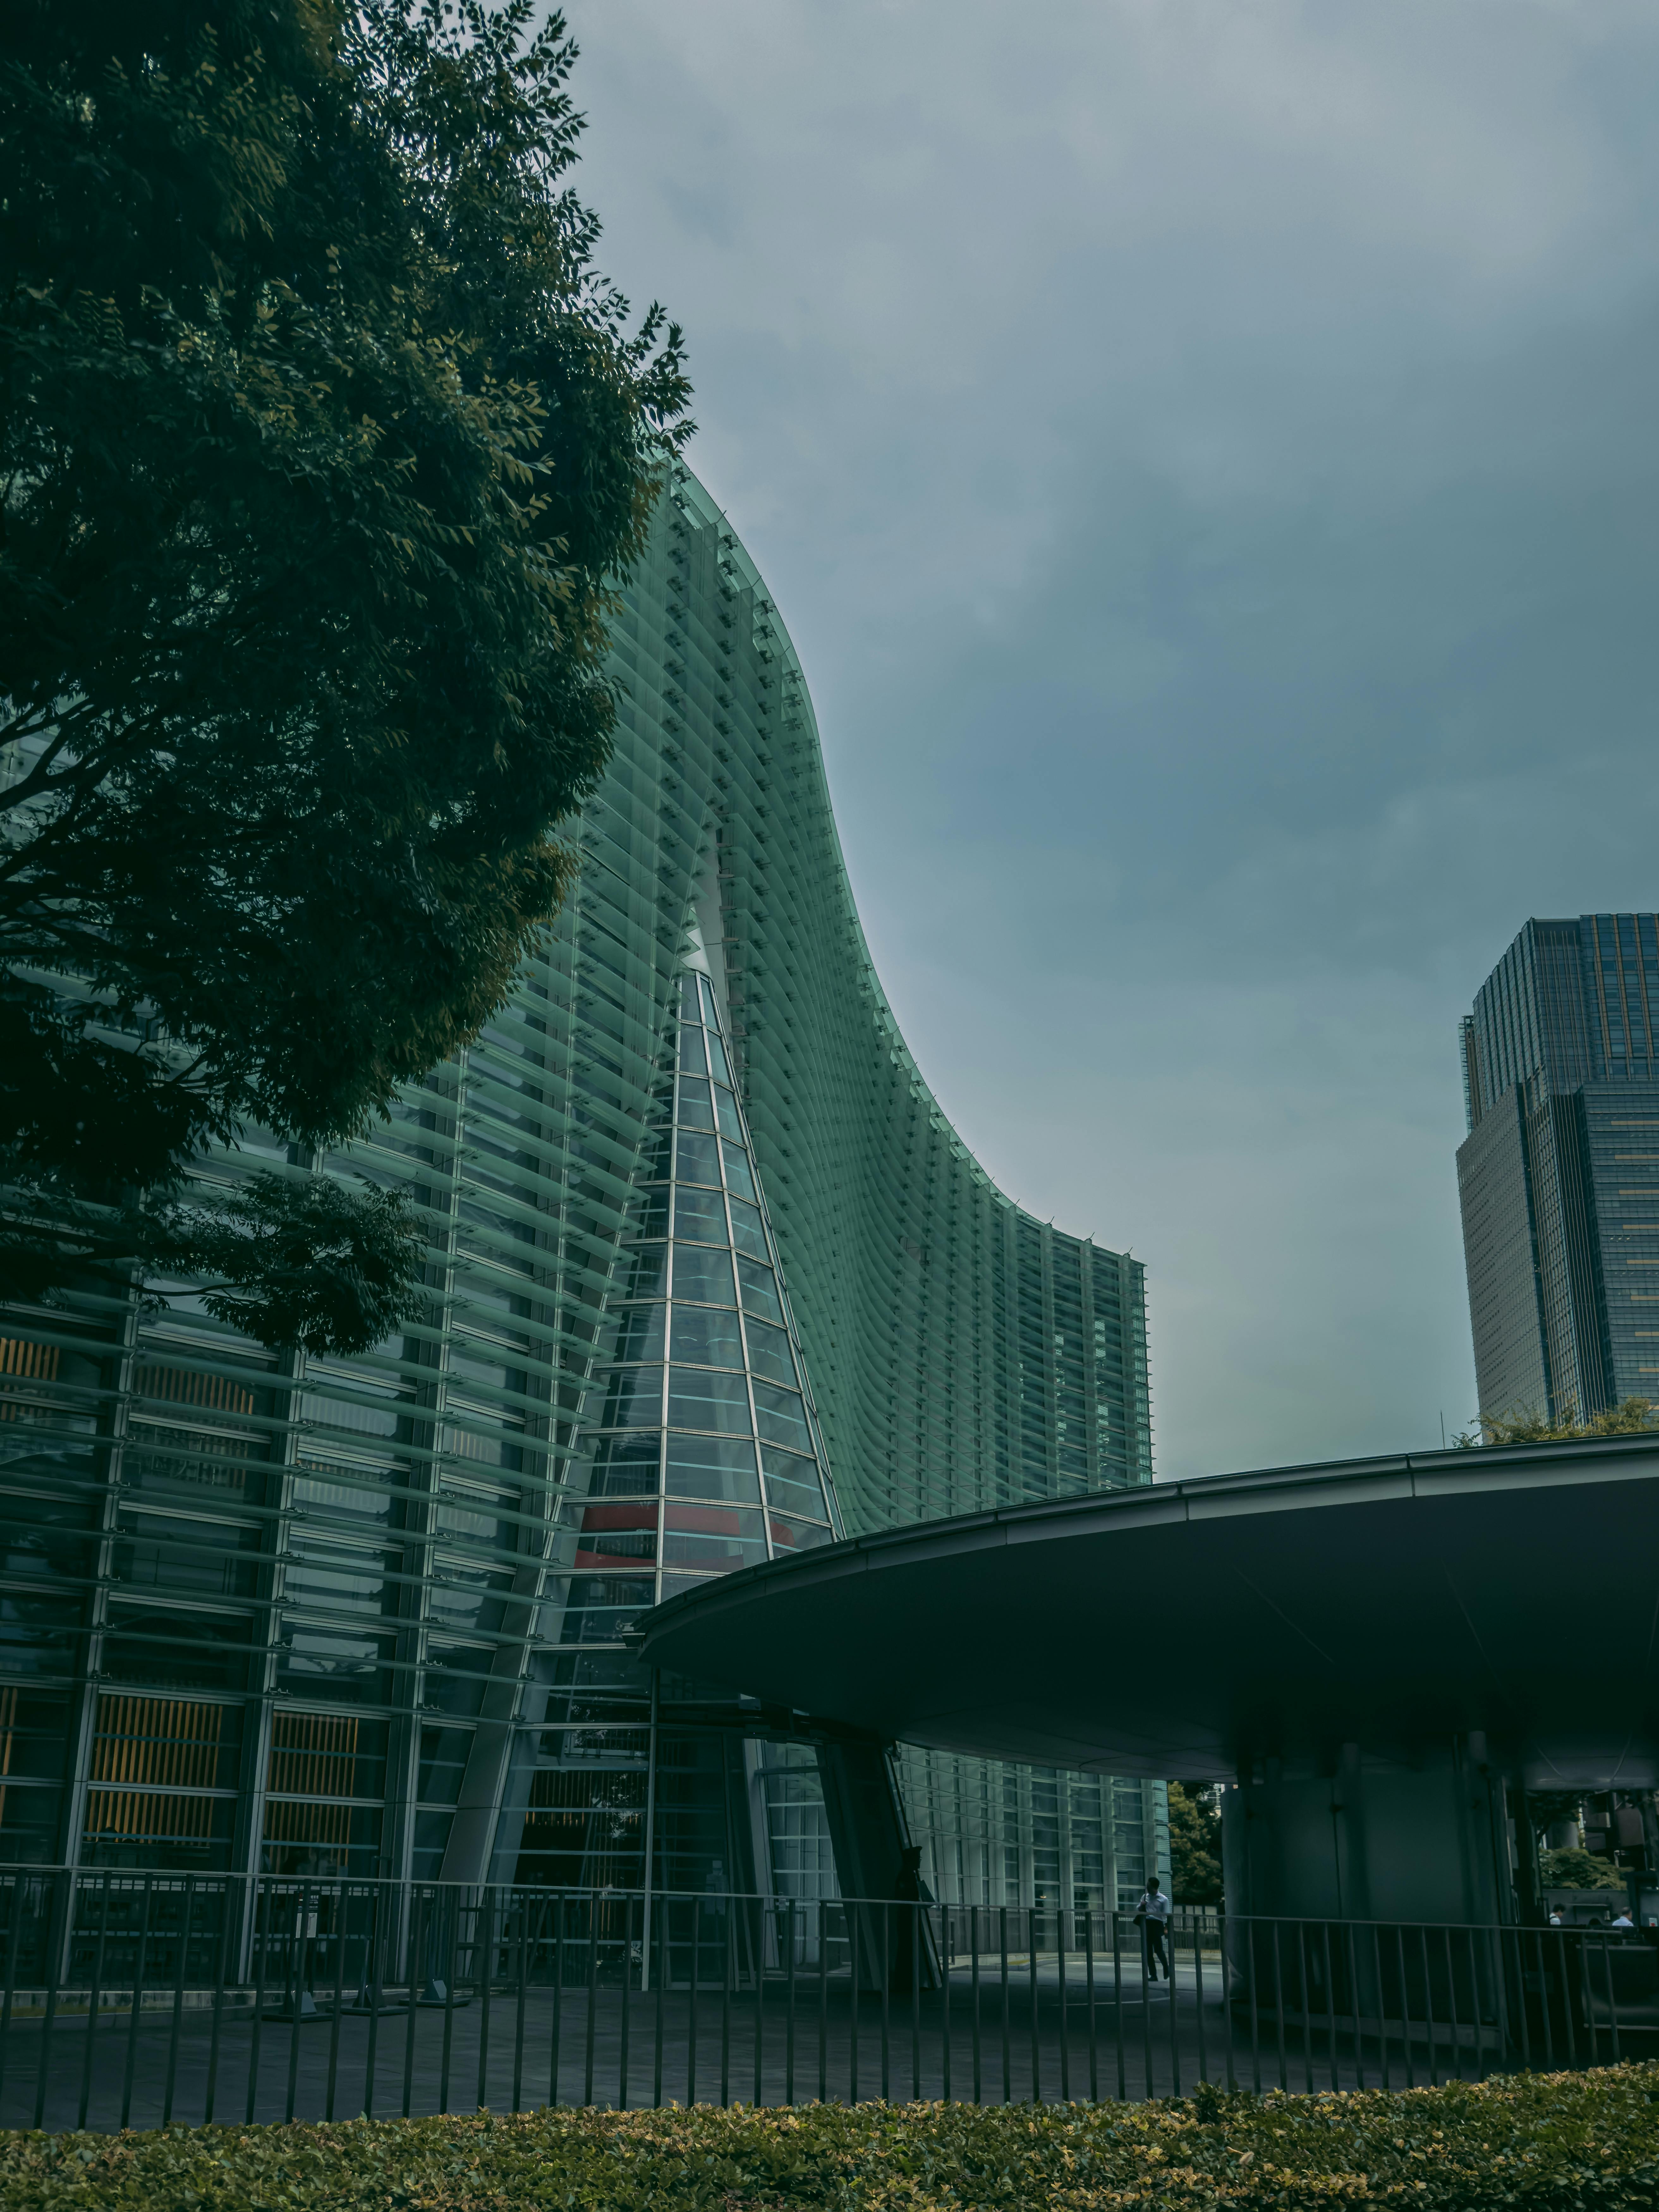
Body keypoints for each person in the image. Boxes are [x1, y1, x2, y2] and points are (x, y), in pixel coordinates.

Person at [1135, 1875, 1171, 1980]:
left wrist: (1166, 1928)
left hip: (1157, 1924)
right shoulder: (1145, 1897)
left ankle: (1166, 1968)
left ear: (1155, 1888)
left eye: (1149, 1887)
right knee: (1148, 1951)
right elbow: (1139, 1909)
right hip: (1147, 1923)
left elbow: (1166, 1915)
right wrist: (1142, 1905)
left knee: (1159, 1950)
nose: (1148, 1889)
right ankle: (1153, 1975)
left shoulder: (1163, 1899)